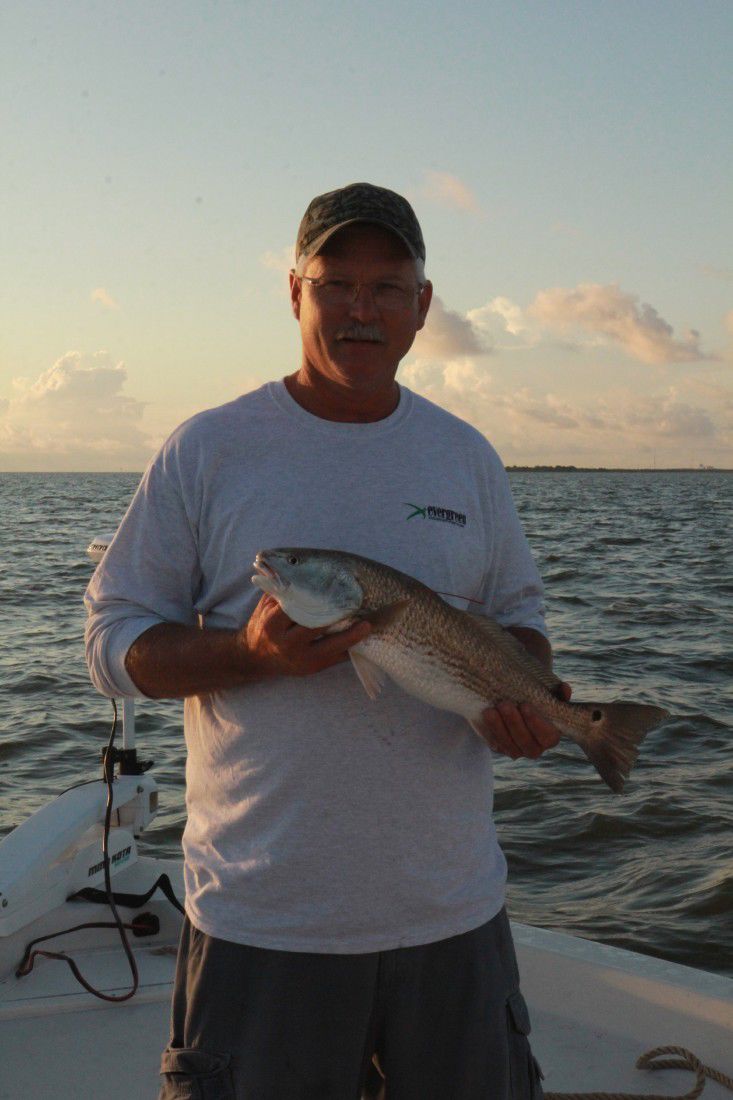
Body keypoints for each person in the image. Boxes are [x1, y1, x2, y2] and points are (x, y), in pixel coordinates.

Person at [85, 182, 565, 1100]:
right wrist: (243, 657)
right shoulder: (209, 449)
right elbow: (112, 639)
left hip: (453, 914)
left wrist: (523, 703)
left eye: (388, 287)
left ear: (423, 306)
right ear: (293, 290)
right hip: (265, 919)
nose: (361, 308)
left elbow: (520, 619)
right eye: (335, 281)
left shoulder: (464, 454)